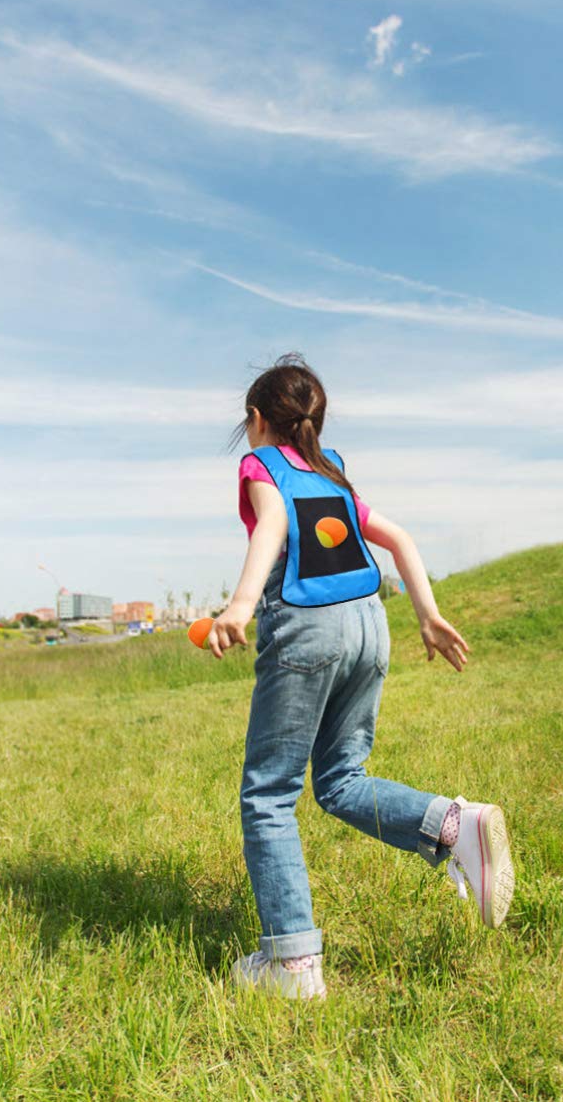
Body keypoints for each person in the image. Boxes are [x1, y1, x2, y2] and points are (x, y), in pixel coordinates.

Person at [208, 355, 514, 1001]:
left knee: (268, 795)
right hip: (371, 626)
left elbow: (271, 523)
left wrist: (239, 603)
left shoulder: (260, 465)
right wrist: (427, 615)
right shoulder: (331, 469)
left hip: (308, 628)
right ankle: (453, 824)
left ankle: (291, 966)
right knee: (341, 780)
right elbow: (397, 537)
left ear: (258, 420)